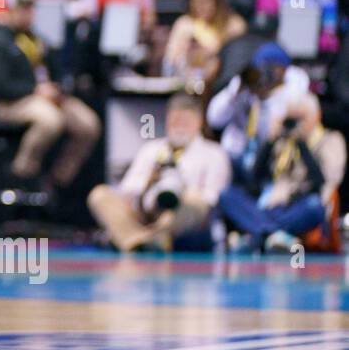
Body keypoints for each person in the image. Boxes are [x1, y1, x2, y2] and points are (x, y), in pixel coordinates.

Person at [0, 0, 101, 193]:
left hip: (45, 98)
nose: (27, 14)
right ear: (10, 11)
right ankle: (21, 174)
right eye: (22, 9)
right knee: (50, 120)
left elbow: (56, 72)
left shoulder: (39, 40)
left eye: (30, 9)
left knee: (88, 124)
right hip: (11, 103)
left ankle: (58, 180)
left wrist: (57, 89)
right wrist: (35, 90)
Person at [87, 93, 230, 252]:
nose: (179, 126)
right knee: (99, 194)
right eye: (175, 120)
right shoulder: (151, 149)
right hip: (144, 213)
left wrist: (182, 192)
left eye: (185, 121)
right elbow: (126, 190)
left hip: (181, 220)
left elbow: (213, 198)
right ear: (167, 120)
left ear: (199, 122)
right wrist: (148, 183)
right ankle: (140, 242)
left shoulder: (214, 153)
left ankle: (146, 239)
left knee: (196, 200)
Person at [220, 93, 347, 254]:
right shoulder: (281, 141)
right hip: (269, 205)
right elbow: (254, 181)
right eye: (289, 118)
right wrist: (269, 143)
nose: (293, 124)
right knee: (227, 195)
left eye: (300, 118)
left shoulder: (330, 139)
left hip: (299, 205)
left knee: (314, 205)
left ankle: (259, 235)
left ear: (317, 116)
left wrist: (302, 145)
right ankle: (274, 233)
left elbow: (322, 183)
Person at [206, 42, 310, 175]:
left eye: (269, 68)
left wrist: (265, 97)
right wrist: (233, 94)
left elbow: (270, 133)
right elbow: (214, 120)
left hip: (268, 162)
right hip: (233, 155)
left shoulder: (293, 89)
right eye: (259, 67)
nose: (262, 73)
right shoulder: (243, 85)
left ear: (283, 69)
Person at [162, 0, 246, 86]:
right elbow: (170, 60)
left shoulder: (229, 24)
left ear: (216, 2)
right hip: (188, 78)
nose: (202, 7)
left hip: (219, 80)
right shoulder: (185, 24)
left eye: (206, 2)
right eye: (198, 2)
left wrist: (212, 50)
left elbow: (240, 28)